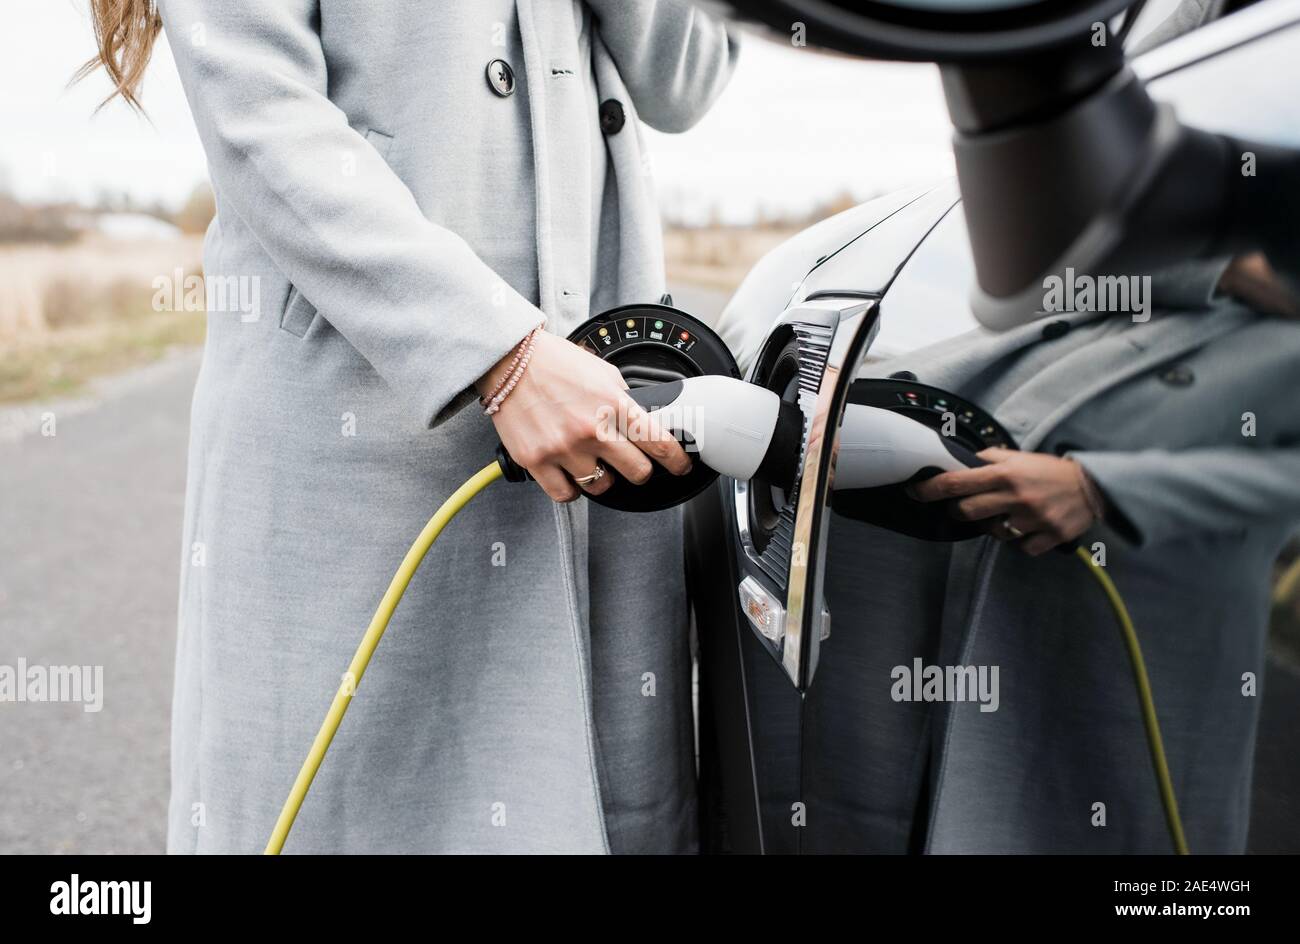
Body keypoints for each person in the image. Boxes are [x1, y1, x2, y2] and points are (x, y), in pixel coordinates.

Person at [84, 0, 737, 853]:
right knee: (353, 809)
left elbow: (686, 78)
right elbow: (261, 112)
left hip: (591, 405)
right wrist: (499, 354)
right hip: (355, 421)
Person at [807, 255, 1300, 853]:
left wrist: (1104, 488)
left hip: (1156, 592)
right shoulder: (1188, 234)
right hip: (953, 541)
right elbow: (1024, 276)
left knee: (1093, 808)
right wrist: (1224, 272)